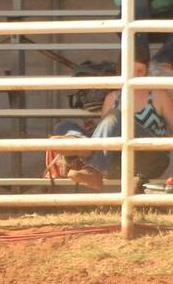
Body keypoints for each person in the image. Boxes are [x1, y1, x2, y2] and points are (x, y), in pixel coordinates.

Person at [61, 48, 173, 189]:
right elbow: (107, 133)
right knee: (64, 125)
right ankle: (81, 146)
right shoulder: (112, 98)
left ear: (147, 70)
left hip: (150, 155)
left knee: (115, 116)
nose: (136, 75)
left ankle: (88, 161)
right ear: (121, 71)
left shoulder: (158, 95)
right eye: (131, 70)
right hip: (118, 157)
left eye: (140, 71)